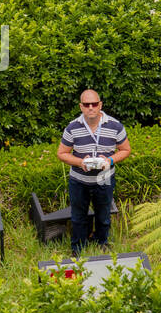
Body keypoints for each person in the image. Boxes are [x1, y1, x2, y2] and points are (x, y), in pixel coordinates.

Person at [56, 89, 131, 255]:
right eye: (87, 104)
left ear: (100, 105)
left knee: (103, 216)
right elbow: (61, 153)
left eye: (94, 104)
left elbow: (125, 150)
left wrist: (110, 160)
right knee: (78, 217)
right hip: (79, 180)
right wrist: (80, 162)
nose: (91, 107)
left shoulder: (115, 126)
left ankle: (102, 243)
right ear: (81, 107)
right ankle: (78, 248)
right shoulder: (72, 127)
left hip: (104, 179)